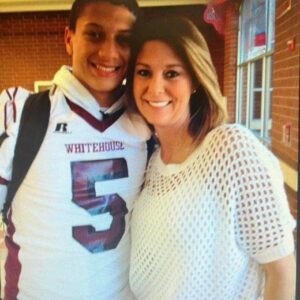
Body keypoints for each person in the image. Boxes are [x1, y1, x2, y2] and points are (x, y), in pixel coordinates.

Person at [127, 16, 296, 300]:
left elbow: (281, 270)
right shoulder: (149, 164)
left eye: (172, 73)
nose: (155, 88)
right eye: (144, 72)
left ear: (195, 79)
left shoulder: (231, 150)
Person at [0, 0, 151, 299]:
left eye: (124, 40)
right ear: (69, 38)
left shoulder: (148, 123)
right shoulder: (19, 112)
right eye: (94, 34)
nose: (109, 52)